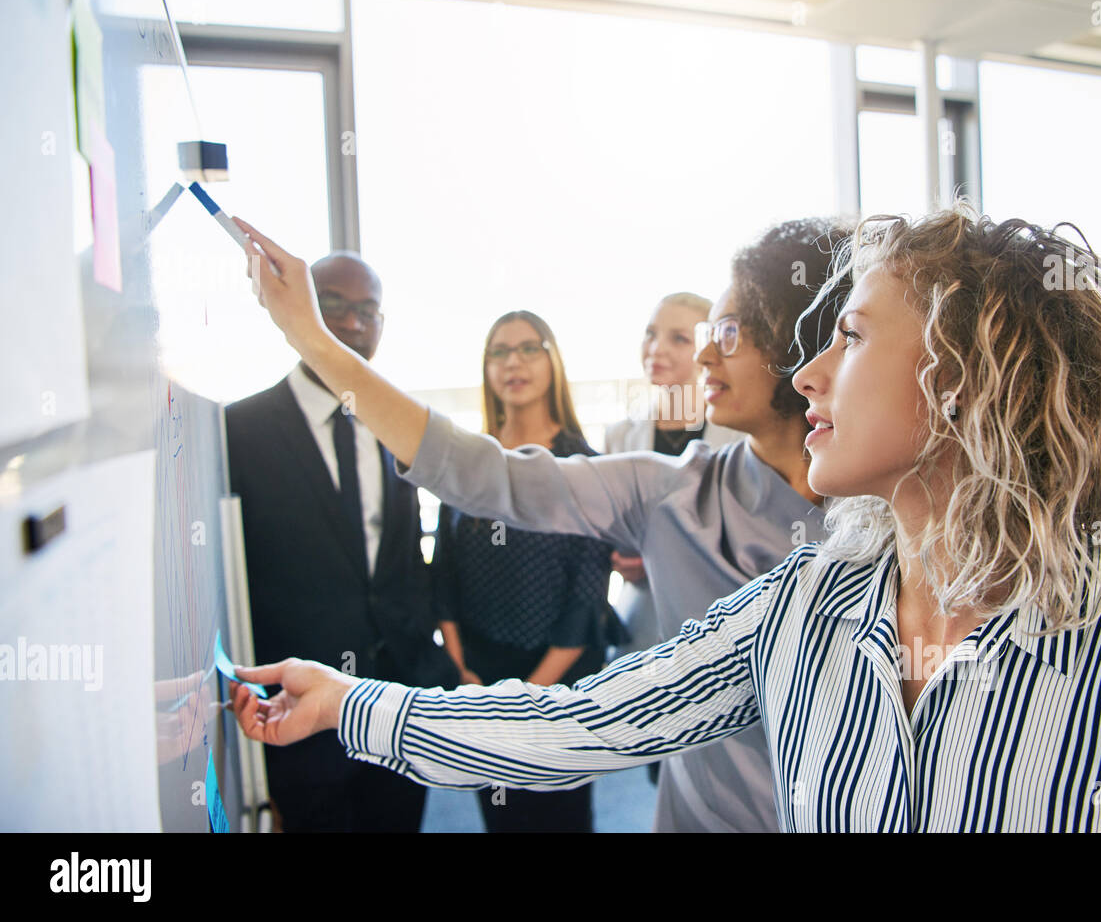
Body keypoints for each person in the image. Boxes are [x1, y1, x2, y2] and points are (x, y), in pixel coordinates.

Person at [232, 205, 1101, 831]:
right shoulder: (806, 602)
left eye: (851, 336)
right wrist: (351, 705)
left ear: (963, 379)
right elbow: (587, 722)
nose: (813, 369)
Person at [230, 212, 853, 832]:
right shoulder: (670, 490)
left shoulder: (885, 530)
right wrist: (313, 341)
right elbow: (480, 474)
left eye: (731, 330)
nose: (706, 350)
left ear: (802, 350)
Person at [224, 251, 460, 833]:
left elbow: (402, 557)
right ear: (302, 307)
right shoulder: (238, 432)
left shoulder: (395, 424)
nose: (354, 323)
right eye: (334, 305)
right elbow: (233, 579)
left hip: (397, 703)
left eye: (368, 310)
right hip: (299, 712)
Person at [433, 310, 613, 832]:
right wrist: (464, 675)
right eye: (499, 351)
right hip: (479, 680)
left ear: (553, 360)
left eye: (529, 348)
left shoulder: (587, 466)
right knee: (501, 817)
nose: (514, 361)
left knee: (560, 819)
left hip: (559, 687)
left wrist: (525, 702)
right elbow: (442, 574)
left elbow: (586, 600)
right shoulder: (466, 460)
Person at [603, 292, 743, 787]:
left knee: (725, 776)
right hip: (646, 633)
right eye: (650, 332)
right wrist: (620, 558)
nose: (655, 348)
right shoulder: (619, 435)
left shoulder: (738, 434)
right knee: (661, 773)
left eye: (678, 337)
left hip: (723, 641)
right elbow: (608, 531)